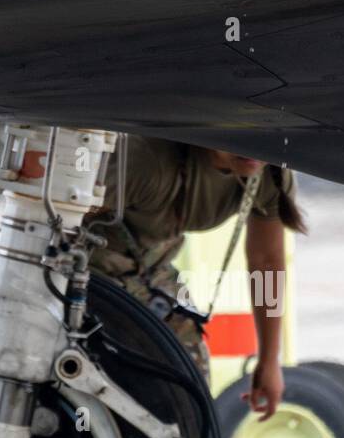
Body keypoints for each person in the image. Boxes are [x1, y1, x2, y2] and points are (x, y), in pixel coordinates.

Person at [87, 136, 308, 420]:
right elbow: (56, 221)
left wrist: (268, 359)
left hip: (148, 271)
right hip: (81, 267)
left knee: (189, 383)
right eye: (241, 134)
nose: (253, 150)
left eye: (263, 133)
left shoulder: (267, 173)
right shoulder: (145, 161)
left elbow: (266, 262)